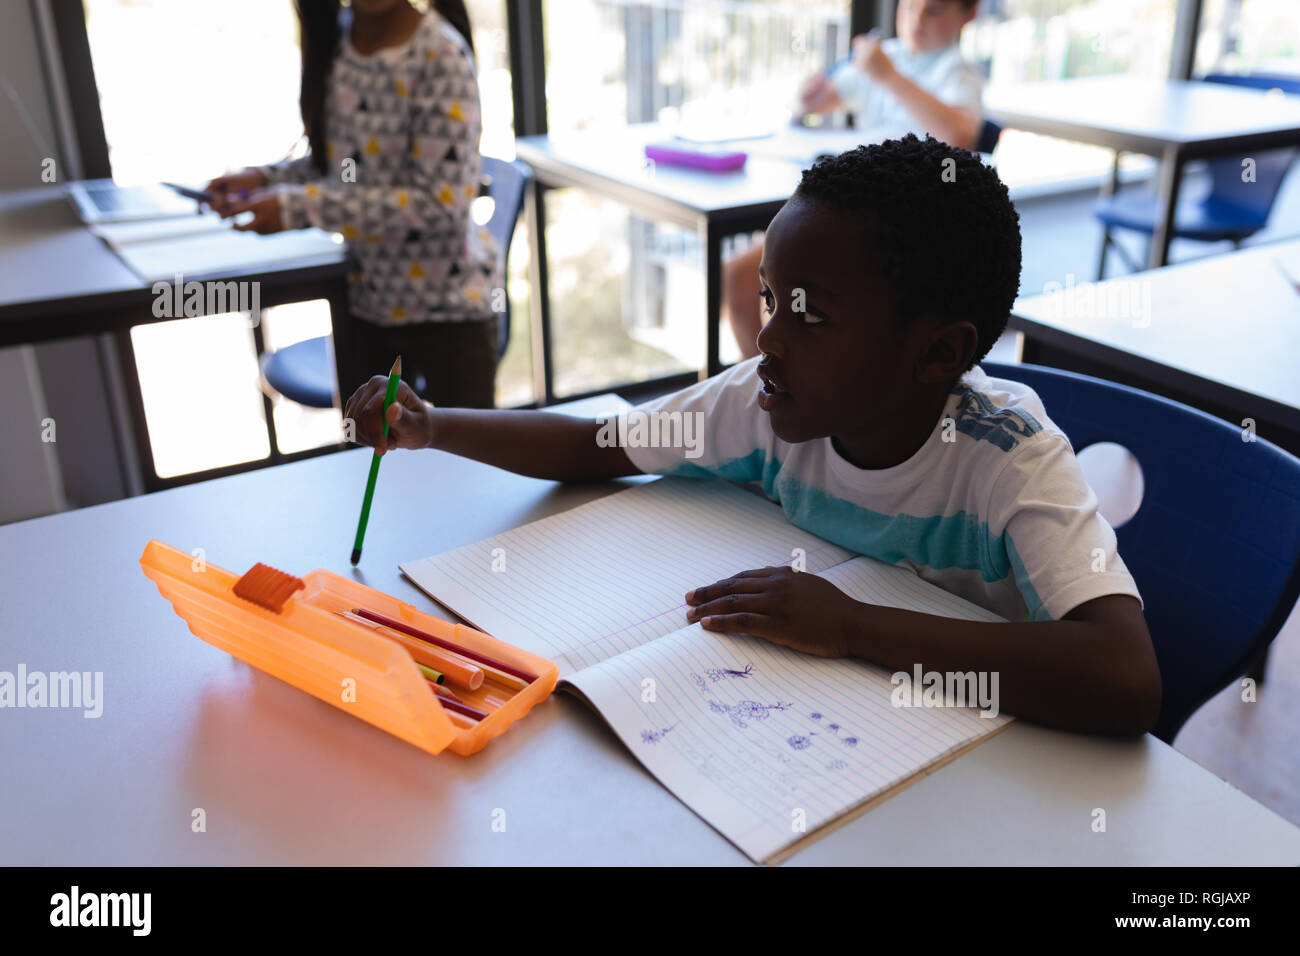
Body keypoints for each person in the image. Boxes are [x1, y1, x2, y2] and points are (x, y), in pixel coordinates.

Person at [344, 135, 1162, 736]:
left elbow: (1125, 679)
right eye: (771, 301)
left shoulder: (1008, 455)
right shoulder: (767, 400)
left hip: (991, 755)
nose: (767, 342)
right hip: (830, 723)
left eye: (810, 319)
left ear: (939, 351)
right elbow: (594, 446)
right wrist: (433, 424)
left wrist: (855, 628)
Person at [205, 0, 502, 408]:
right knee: (367, 461)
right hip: (365, 305)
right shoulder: (339, 40)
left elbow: (440, 203)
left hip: (449, 314)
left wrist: (298, 207)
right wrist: (266, 179)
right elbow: (345, 168)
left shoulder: (440, 54)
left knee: (467, 465)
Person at [725, 0, 986, 359]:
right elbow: (817, 102)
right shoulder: (885, 57)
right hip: (856, 212)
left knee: (764, 274)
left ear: (968, 15)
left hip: (903, 231)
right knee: (743, 274)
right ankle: (769, 385)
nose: (917, 20)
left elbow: (958, 134)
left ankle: (789, 383)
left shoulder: (957, 71)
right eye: (909, 6)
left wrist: (888, 76)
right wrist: (809, 97)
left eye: (935, 10)